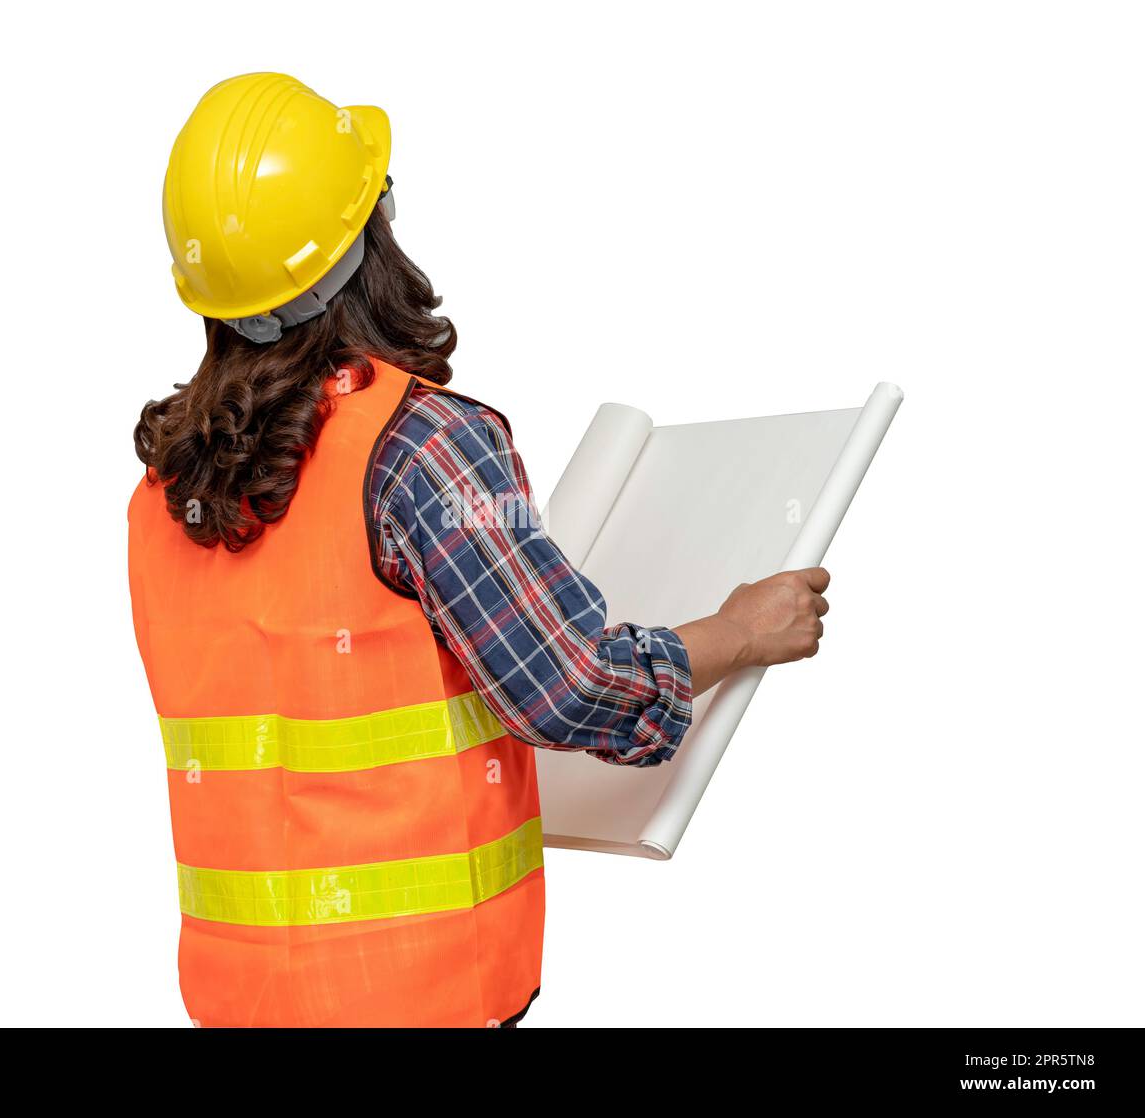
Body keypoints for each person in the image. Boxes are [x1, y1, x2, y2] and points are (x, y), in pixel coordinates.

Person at [128, 73, 830, 1028]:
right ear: (368, 241)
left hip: (239, 1003)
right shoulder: (421, 446)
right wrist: (740, 631)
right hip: (417, 1002)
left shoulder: (171, 491)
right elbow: (570, 683)